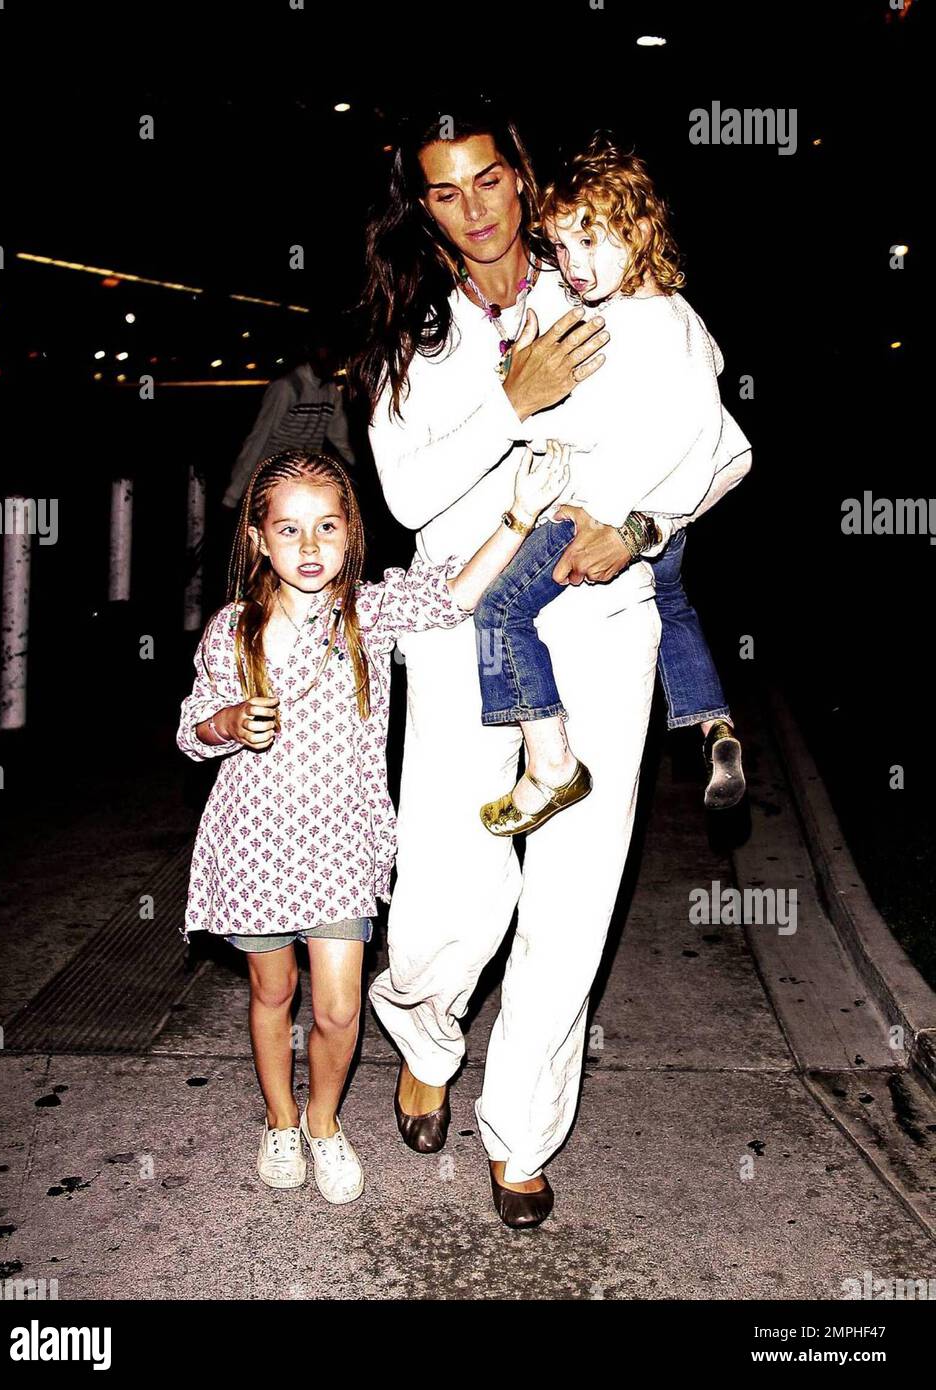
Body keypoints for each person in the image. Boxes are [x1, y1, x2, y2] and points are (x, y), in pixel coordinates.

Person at [351, 103, 750, 1228]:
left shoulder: (607, 279)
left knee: (573, 899)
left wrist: (645, 526)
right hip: (460, 616)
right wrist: (504, 398)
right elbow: (407, 497)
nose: (474, 209)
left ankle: (520, 1130)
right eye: (444, 190)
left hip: (603, 621)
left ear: (521, 178)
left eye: (489, 179)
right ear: (419, 206)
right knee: (447, 889)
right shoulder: (415, 333)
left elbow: (718, 449)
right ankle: (425, 1026)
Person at [176, 442, 571, 1205]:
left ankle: (323, 1122)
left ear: (351, 535)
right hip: (253, 844)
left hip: (339, 846)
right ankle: (281, 1118)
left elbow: (454, 597)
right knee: (271, 993)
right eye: (288, 530)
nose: (310, 546)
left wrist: (518, 517)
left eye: (327, 527)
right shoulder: (233, 629)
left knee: (339, 1006)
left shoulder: (367, 614)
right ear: (258, 538)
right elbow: (191, 729)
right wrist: (227, 720)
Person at [473, 134, 751, 838]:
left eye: (590, 242)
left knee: (498, 613)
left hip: (593, 516)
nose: (574, 266)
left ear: (639, 231)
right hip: (664, 526)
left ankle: (549, 760)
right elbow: (713, 389)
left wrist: (524, 391)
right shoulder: (683, 317)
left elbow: (570, 422)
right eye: (562, 249)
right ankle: (712, 720)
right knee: (677, 610)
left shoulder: (619, 327)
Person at [221, 339, 356, 512]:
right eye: (326, 352)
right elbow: (258, 438)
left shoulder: (330, 392)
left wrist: (362, 471)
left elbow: (340, 439)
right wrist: (232, 496)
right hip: (273, 475)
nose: (332, 360)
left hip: (303, 477)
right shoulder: (287, 387)